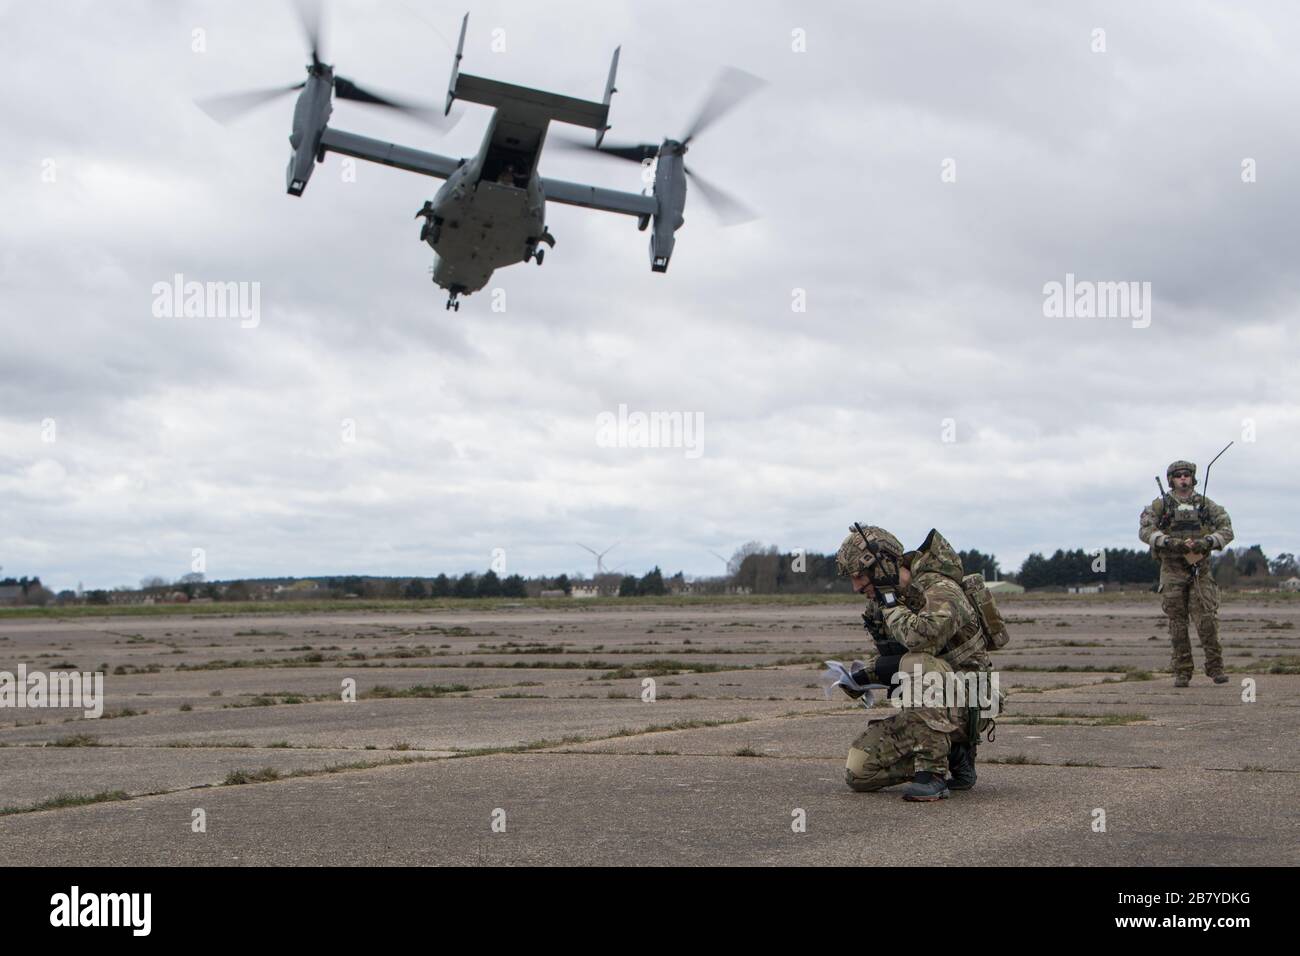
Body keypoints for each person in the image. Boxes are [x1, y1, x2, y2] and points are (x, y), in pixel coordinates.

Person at [834, 524, 990, 801]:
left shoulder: (941, 589)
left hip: (971, 700)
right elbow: (895, 660)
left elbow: (921, 641)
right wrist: (859, 677)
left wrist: (891, 605)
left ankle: (933, 773)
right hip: (929, 710)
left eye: (859, 576)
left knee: (917, 663)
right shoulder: (883, 603)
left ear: (882, 565)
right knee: (859, 772)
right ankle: (955, 755)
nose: (856, 587)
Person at [1139, 460, 1234, 687]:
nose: (1183, 478)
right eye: (1178, 475)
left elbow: (1227, 529)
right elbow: (1145, 530)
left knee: (1207, 621)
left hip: (1200, 570)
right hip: (1172, 570)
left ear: (1192, 478)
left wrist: (1206, 542)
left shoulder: (1205, 505)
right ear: (1171, 479)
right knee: (1177, 625)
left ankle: (1215, 667)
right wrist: (1169, 542)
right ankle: (1182, 672)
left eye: (1186, 475)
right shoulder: (1160, 505)